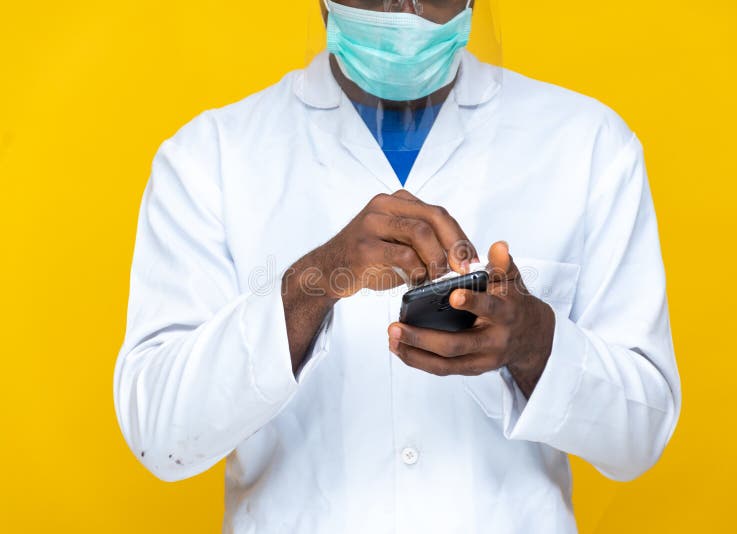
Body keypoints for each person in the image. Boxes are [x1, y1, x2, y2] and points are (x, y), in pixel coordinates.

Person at [113, 0, 681, 532]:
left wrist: (535, 343)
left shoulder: (588, 144)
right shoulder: (208, 158)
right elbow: (158, 434)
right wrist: (315, 282)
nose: (403, 12)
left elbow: (641, 436)